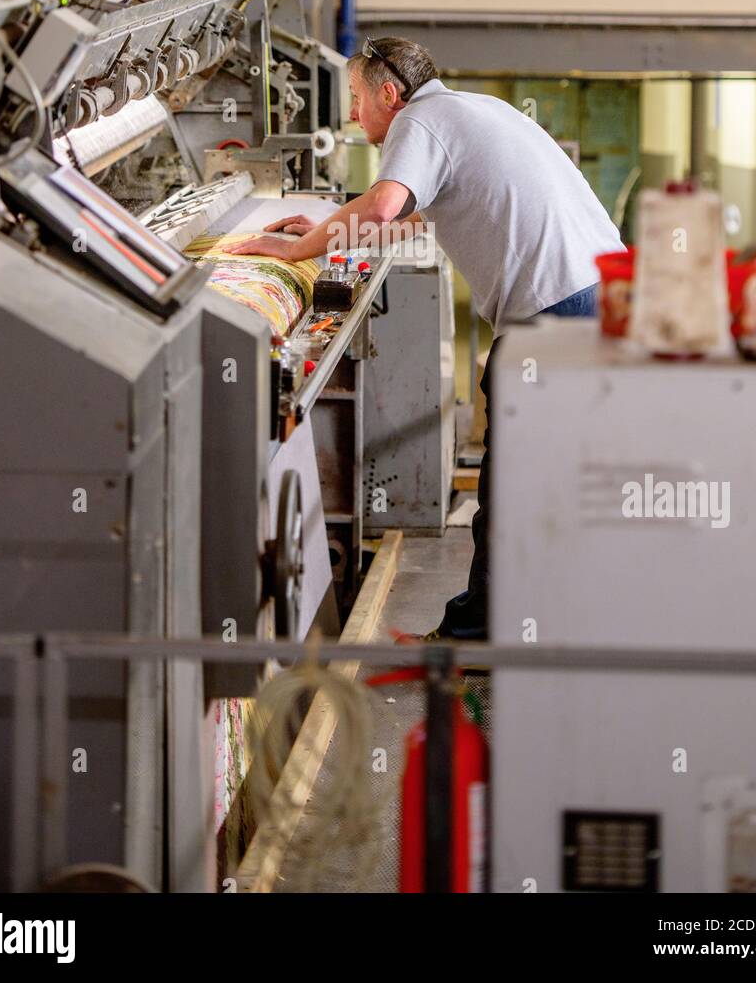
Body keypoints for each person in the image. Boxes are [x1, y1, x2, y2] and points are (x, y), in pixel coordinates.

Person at [233, 37, 624, 640]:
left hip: (559, 315)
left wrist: (291, 251)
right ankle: (551, 621)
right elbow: (415, 216)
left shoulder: (421, 120)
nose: (355, 116)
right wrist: (326, 232)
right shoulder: (472, 108)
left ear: (391, 94)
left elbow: (386, 205)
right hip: (602, 301)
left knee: (514, 485)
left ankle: (480, 639)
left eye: (359, 99)